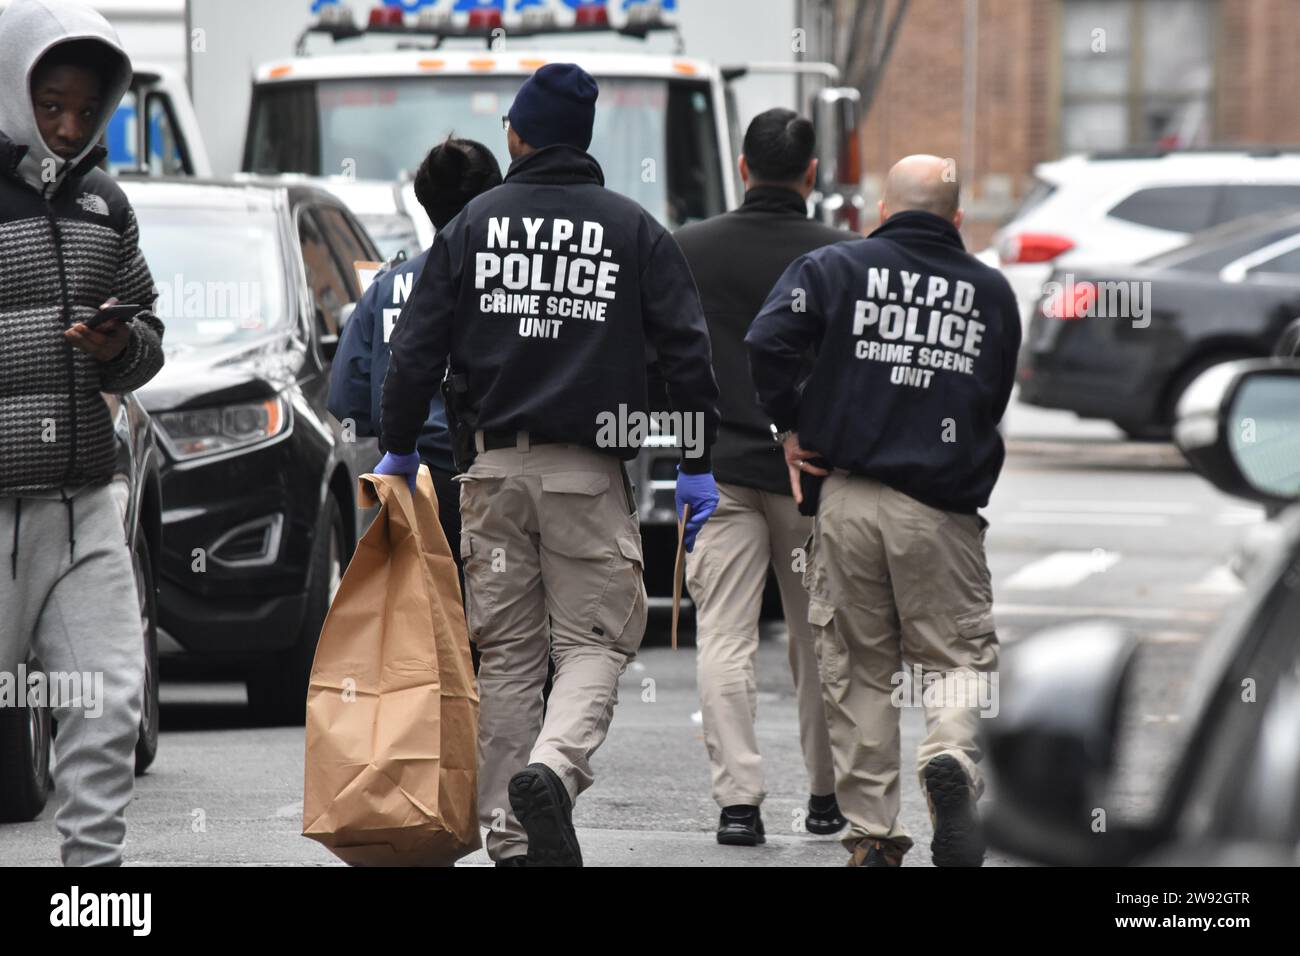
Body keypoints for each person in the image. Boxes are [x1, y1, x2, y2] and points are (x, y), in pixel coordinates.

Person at [379, 63, 720, 866]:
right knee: (595, 642)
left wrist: (398, 447)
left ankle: (510, 834)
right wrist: (695, 461)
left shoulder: (471, 226)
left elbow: (414, 349)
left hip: (492, 474)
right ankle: (553, 773)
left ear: (518, 135)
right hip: (588, 474)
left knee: (507, 658)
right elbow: (688, 356)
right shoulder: (633, 229)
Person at [746, 155, 1020, 867]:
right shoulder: (990, 291)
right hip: (941, 507)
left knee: (860, 668)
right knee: (956, 657)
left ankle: (871, 832)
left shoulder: (835, 267)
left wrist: (792, 426)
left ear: (880, 211)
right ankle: (952, 757)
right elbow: (990, 396)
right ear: (957, 220)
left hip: (847, 498)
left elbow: (767, 341)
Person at [0, 0, 165, 866]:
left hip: (85, 503)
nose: (68, 126)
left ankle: (92, 894)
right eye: (50, 104)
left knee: (108, 705)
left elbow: (149, 346)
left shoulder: (107, 202)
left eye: (85, 110)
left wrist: (120, 345)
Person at [673, 108, 849, 846]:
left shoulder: (688, 249)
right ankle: (826, 796)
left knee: (724, 637)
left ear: (742, 168)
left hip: (718, 472)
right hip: (811, 476)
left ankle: (738, 802)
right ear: (812, 173)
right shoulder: (845, 256)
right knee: (821, 642)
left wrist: (687, 457)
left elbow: (672, 363)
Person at [328, 136, 503, 568]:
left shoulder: (387, 287)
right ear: (497, 197)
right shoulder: (515, 283)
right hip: (501, 478)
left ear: (426, 205)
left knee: (427, 624)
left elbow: (348, 401)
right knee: (505, 624)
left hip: (415, 484)